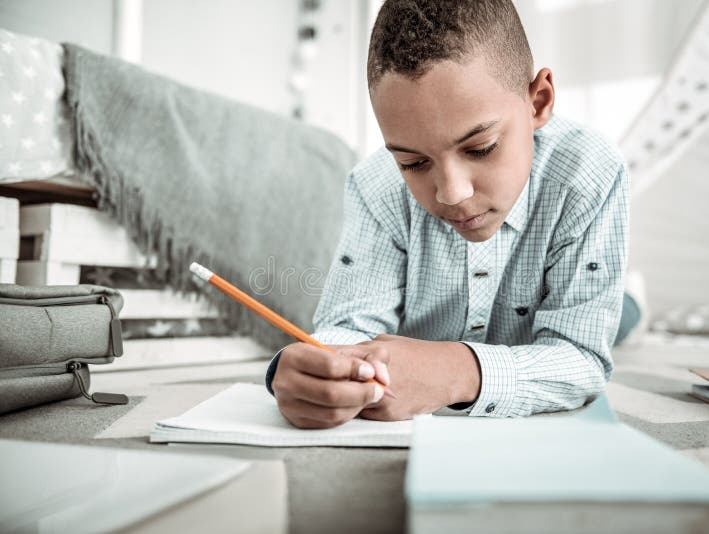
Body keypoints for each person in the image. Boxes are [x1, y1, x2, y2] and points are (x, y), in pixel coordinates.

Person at [265, 0, 629, 429]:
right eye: (413, 164)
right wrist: (311, 370)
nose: (452, 193)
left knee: (623, 320)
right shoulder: (374, 187)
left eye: (481, 148)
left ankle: (632, 298)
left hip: (572, 296)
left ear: (539, 102)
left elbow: (582, 357)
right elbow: (347, 330)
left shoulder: (589, 172)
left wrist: (457, 370)